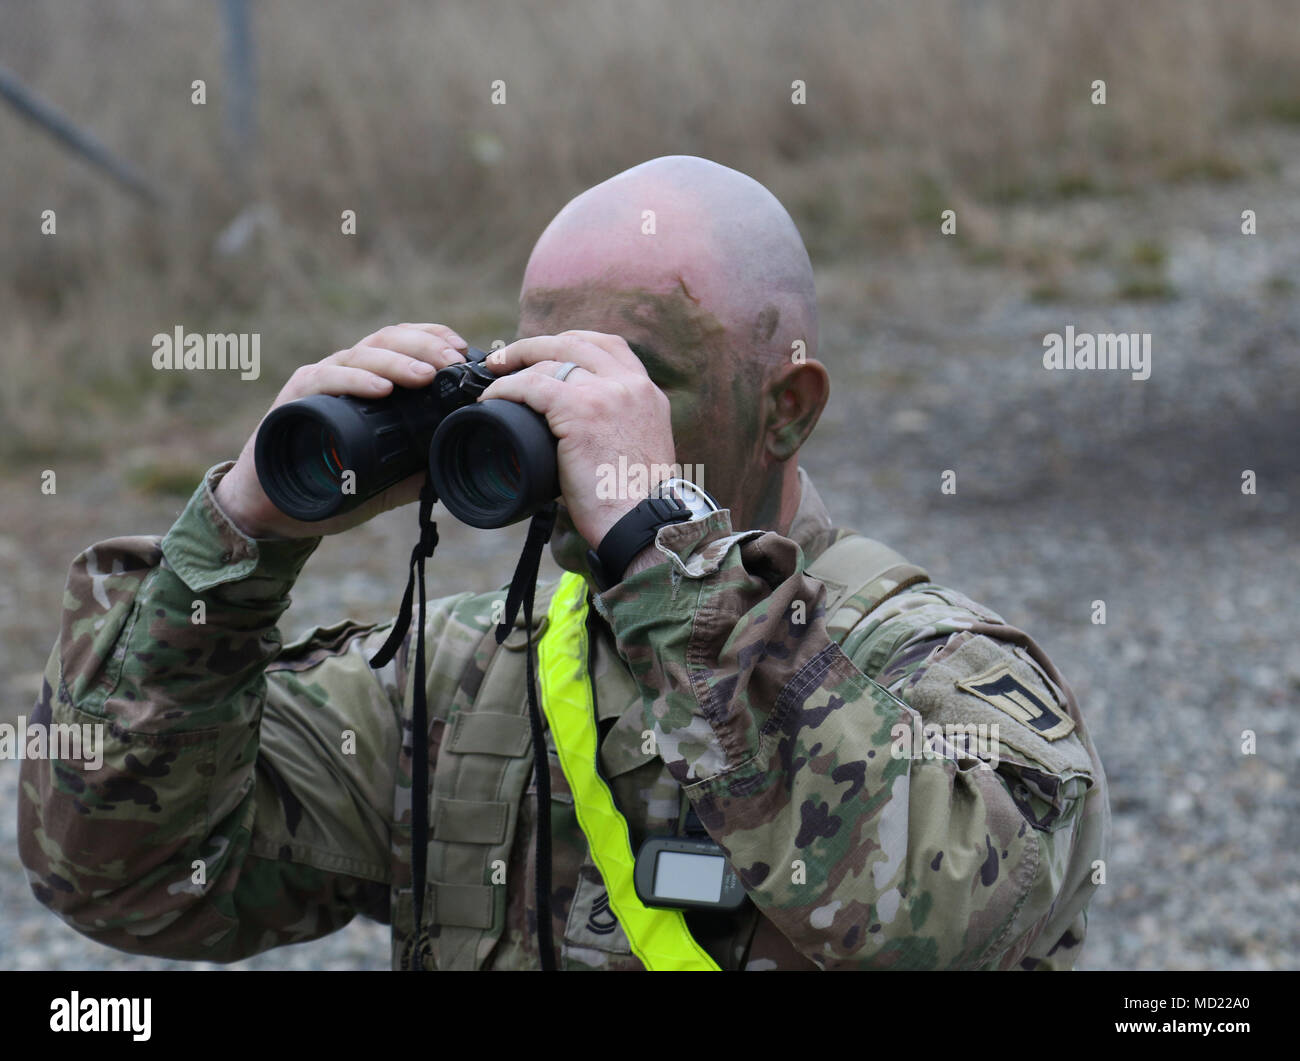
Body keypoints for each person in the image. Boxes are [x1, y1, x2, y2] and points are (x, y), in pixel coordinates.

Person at [19, 155, 1108, 970]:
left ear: (787, 408)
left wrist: (664, 552)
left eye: (631, 382)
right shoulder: (452, 678)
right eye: (538, 372)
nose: (572, 421)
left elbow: (949, 920)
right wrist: (243, 533)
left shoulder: (938, 673)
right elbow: (121, 872)